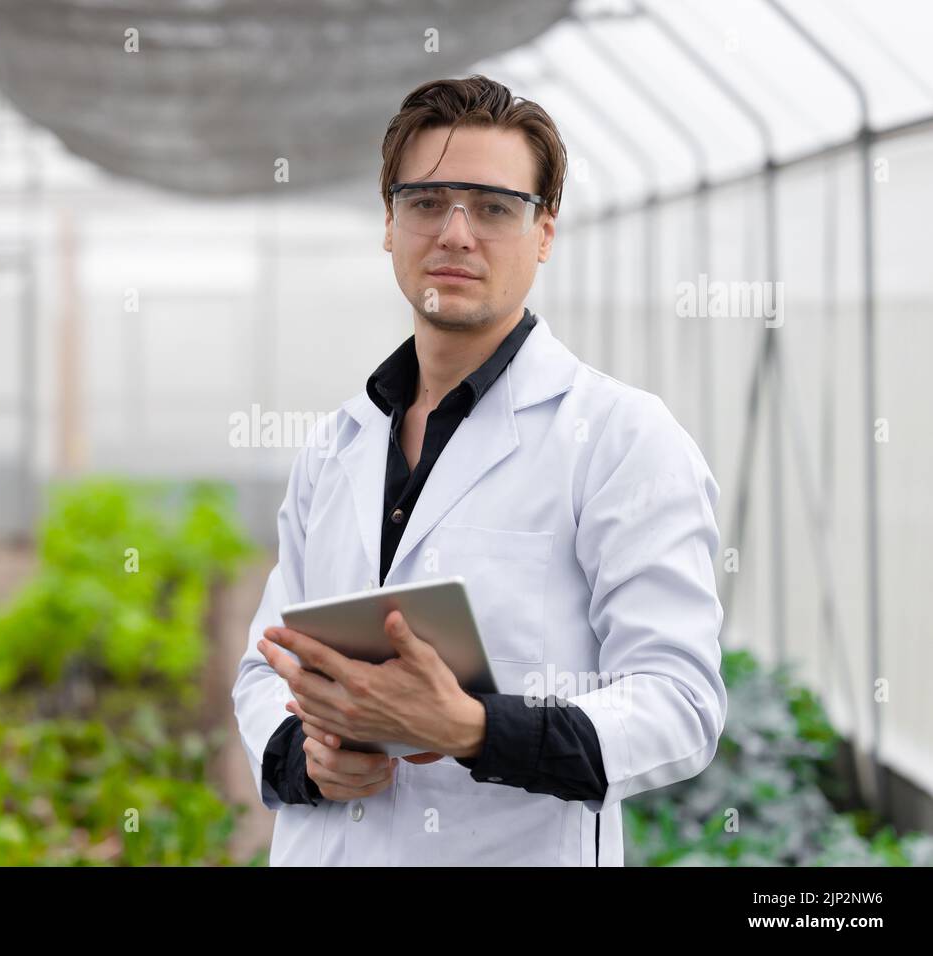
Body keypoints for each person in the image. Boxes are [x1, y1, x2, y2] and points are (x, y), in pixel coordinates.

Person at [231, 74, 727, 866]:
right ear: (389, 225)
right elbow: (267, 661)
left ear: (544, 234)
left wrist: (471, 729)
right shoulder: (336, 446)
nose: (456, 233)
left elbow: (680, 703)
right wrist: (305, 754)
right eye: (426, 202)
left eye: (495, 208)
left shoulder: (620, 439)